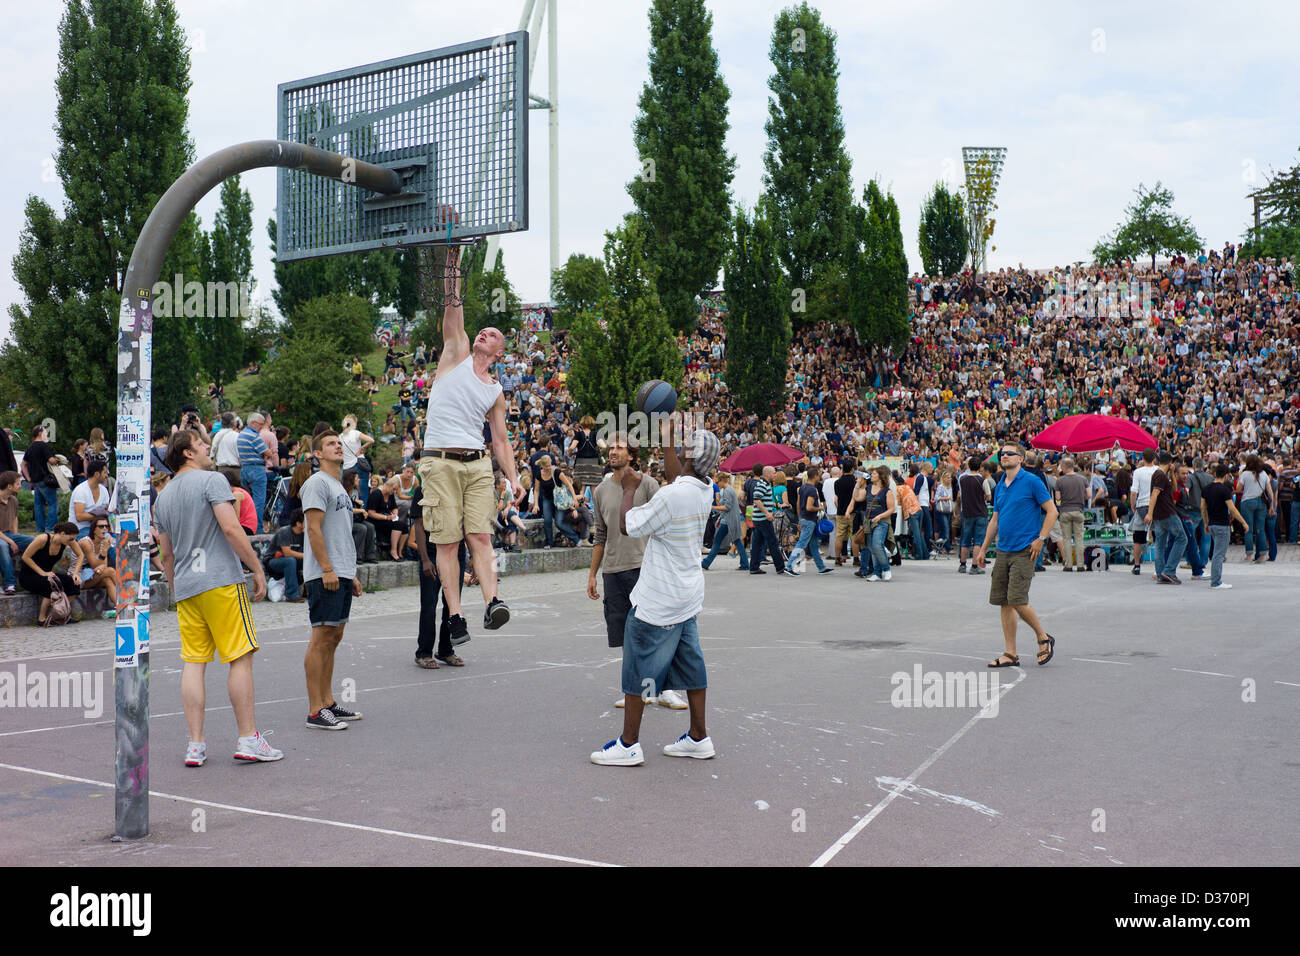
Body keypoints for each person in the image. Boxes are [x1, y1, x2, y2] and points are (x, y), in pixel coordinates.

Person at [591, 426, 720, 766]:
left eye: (683, 447)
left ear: (690, 456)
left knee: (637, 665)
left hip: (658, 598)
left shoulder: (669, 497)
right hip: (688, 593)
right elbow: (681, 477)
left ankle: (629, 744)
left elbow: (628, 525)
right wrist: (666, 441)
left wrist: (630, 489)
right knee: (691, 663)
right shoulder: (706, 488)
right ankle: (698, 736)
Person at [152, 429, 281, 765]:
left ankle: (195, 743)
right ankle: (248, 737)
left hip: (188, 585)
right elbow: (230, 528)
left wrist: (176, 586)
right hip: (220, 581)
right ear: (188, 453)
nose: (208, 448)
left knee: (194, 662)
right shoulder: (212, 481)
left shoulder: (162, 498)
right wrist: (256, 567)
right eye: (201, 444)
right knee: (240, 657)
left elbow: (166, 555)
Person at [419, 245, 523, 641]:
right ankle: (455, 616)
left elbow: (500, 439)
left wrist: (512, 478)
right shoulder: (455, 352)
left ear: (498, 352)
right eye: (483, 330)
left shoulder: (495, 390)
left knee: (480, 536)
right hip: (440, 460)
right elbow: (453, 303)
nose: (484, 333)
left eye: (492, 334)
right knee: (446, 542)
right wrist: (453, 258)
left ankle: (493, 601)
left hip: (477, 464)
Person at [588, 433, 686, 711]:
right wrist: (592, 574)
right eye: (611, 448)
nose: (613, 452)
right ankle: (635, 689)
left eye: (619, 448)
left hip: (645, 568)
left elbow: (666, 520)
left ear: (631, 455)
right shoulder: (600, 491)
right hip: (613, 570)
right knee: (624, 635)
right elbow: (600, 536)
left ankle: (665, 689)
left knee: (656, 631)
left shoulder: (648, 484)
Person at [300, 430, 364, 730]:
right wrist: (326, 568)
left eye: (340, 442)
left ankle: (328, 703)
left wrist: (350, 573)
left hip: (341, 571)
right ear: (318, 454)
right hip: (324, 573)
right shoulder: (316, 484)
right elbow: (313, 529)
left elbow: (340, 534)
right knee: (321, 639)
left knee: (334, 638)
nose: (338, 445)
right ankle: (315, 710)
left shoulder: (338, 485)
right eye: (330, 443)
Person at [975, 441, 1058, 669]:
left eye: (1010, 454)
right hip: (1003, 550)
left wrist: (1041, 539)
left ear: (1021, 458)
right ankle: (1010, 653)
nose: (1004, 456)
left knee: (1017, 600)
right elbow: (995, 520)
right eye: (1002, 454)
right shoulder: (1001, 484)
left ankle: (1043, 638)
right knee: (1004, 602)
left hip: (1025, 549)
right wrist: (983, 549)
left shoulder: (1032, 481)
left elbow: (1052, 511)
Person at [411, 479, 470, 668]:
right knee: (429, 604)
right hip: (432, 552)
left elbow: (468, 525)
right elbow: (418, 525)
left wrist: (474, 557)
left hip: (456, 552)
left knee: (452, 604)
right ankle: (424, 652)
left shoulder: (460, 488)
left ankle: (445, 650)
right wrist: (426, 559)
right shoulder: (424, 490)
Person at [18, 523, 82, 624]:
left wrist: (75, 574)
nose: (72, 541)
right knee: (50, 584)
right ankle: (41, 619)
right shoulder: (43, 539)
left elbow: (80, 555)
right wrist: (42, 572)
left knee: (73, 583)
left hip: (47, 575)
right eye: (71, 538)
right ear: (62, 533)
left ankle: (59, 615)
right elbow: (25, 557)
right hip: (28, 576)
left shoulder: (68, 542)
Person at [1202, 463, 1250, 590]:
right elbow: (1232, 509)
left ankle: (1215, 580)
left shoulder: (1206, 488)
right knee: (1219, 554)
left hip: (1212, 523)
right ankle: (1216, 581)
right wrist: (1244, 522)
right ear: (1225, 475)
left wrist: (1206, 522)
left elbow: (1203, 507)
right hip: (1222, 524)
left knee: (1216, 552)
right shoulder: (1224, 490)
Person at [1147, 451, 1187, 585]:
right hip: (1167, 513)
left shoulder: (1161, 475)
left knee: (1160, 543)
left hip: (1160, 514)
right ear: (1170, 463)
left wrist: (1171, 473)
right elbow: (1154, 494)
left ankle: (1161, 574)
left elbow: (1174, 489)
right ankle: (1169, 571)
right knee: (1182, 538)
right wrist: (1149, 513)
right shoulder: (1160, 475)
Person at [787, 466, 833, 574]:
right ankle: (789, 566)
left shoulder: (802, 487)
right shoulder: (812, 490)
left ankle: (821, 567)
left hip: (804, 518)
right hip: (809, 520)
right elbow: (809, 507)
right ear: (815, 476)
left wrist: (799, 518)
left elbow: (799, 504)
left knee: (813, 545)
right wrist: (820, 508)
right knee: (802, 544)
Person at [700, 472, 748, 571]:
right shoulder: (729, 489)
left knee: (718, 542)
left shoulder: (727, 490)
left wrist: (712, 507)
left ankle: (706, 562)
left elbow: (727, 507)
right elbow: (728, 507)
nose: (717, 484)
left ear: (722, 481)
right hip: (729, 519)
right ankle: (745, 563)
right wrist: (719, 518)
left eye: (718, 482)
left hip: (728, 520)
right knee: (736, 541)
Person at [0, 471, 36, 595]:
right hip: (1, 537)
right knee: (3, 546)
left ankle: (33, 578)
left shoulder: (13, 500)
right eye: (18, 483)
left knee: (34, 541)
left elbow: (15, 518)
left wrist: (15, 537)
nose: (20, 485)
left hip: (8, 534)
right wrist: (11, 542)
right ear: (9, 486)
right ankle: (9, 584)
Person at [748, 465, 787, 575]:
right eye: (774, 473)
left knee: (757, 544)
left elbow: (762, 499)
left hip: (759, 518)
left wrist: (774, 504)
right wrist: (767, 513)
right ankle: (780, 567)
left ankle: (754, 567)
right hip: (763, 518)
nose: (775, 475)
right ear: (768, 474)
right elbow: (756, 500)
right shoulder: (762, 484)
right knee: (772, 542)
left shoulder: (765, 484)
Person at [75, 517, 119, 612]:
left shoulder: (103, 542)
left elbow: (103, 566)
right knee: (111, 571)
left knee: (107, 580)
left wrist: (104, 551)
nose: (104, 529)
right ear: (94, 529)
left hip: (93, 575)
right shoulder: (86, 542)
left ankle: (121, 606)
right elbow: (96, 565)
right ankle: (126, 596)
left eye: (106, 526)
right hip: (79, 578)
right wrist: (104, 551)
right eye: (101, 526)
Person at [20, 425, 58, 533]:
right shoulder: (44, 446)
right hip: (46, 479)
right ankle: (50, 528)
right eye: (46, 432)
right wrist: (57, 460)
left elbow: (23, 464)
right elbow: (51, 460)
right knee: (53, 503)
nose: (47, 435)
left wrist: (28, 477)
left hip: (35, 480)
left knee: (38, 505)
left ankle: (40, 529)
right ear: (40, 433)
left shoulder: (30, 447)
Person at [1054, 457, 1089, 572]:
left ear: (1064, 467)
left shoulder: (1059, 481)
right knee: (1079, 538)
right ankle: (1080, 565)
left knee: (1067, 539)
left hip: (1065, 511)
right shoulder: (1083, 479)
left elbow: (1058, 498)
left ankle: (1068, 565)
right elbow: (1088, 495)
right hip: (1079, 510)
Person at [1235, 455, 1272, 562]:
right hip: (1261, 503)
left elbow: (1238, 489)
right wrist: (1272, 506)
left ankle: (1249, 554)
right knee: (1260, 529)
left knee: (1248, 528)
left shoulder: (1245, 474)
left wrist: (1239, 475)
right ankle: (1262, 555)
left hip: (1247, 502)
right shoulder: (1264, 473)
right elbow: (1269, 491)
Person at [1127, 448, 1158, 576]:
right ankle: (1159, 566)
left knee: (1138, 538)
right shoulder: (1159, 470)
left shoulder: (1138, 472)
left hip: (1141, 505)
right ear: (1154, 459)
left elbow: (1134, 491)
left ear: (1143, 459)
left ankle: (1137, 565)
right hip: (1155, 505)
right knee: (1158, 537)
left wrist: (1133, 505)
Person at [267, 509, 307, 603]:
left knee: (309, 559)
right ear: (298, 524)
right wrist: (306, 556)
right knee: (290, 560)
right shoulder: (284, 532)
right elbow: (287, 553)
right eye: (306, 521)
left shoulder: (303, 534)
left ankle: (309, 590)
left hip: (291, 560)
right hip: (273, 561)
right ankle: (292, 595)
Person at [957, 457, 989, 574]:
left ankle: (962, 564)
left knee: (965, 540)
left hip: (967, 512)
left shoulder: (962, 479)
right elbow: (989, 496)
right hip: (980, 512)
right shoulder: (982, 480)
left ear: (968, 466)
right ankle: (975, 566)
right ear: (980, 467)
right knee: (978, 541)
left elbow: (961, 494)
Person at [341, 470, 381, 564]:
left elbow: (352, 504)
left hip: (355, 518)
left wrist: (357, 503)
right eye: (356, 478)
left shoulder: (355, 491)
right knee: (361, 528)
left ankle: (369, 555)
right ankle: (356, 556)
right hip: (345, 520)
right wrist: (361, 510)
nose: (358, 480)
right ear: (351, 479)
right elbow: (346, 508)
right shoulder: (343, 491)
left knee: (370, 527)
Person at [68, 458, 111, 538]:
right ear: (97, 474)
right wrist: (100, 514)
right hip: (80, 529)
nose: (106, 476)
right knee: (99, 539)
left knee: (116, 539)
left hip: (99, 527)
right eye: (105, 473)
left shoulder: (104, 490)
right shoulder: (81, 490)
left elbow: (107, 511)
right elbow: (79, 517)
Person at [340, 414, 375, 490]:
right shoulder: (355, 433)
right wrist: (362, 447)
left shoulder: (340, 436)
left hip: (346, 467)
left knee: (348, 490)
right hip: (359, 464)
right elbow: (371, 440)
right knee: (363, 492)